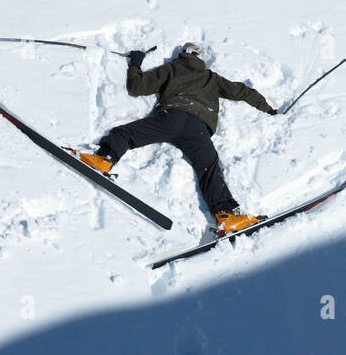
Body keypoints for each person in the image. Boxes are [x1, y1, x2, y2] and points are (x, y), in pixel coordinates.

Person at [75, 42, 278, 232]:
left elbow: (137, 87)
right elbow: (241, 91)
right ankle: (227, 215)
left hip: (172, 118)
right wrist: (268, 110)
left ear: (183, 55)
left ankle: (104, 159)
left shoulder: (172, 68)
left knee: (125, 134)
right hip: (199, 129)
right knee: (209, 170)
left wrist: (135, 64)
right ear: (200, 58)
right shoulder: (211, 78)